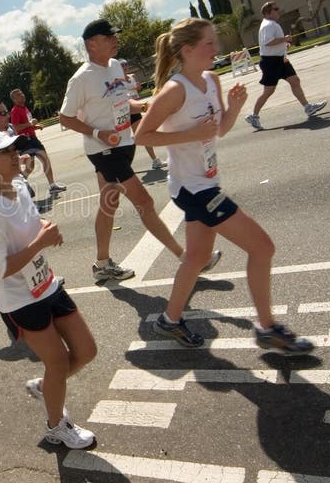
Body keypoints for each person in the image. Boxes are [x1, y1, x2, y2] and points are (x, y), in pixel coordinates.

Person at [134, 18, 314, 354]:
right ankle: (267, 328)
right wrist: (190, 134)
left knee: (198, 256)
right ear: (187, 50)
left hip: (208, 180)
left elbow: (220, 130)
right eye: (208, 43)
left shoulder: (211, 80)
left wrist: (234, 108)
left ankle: (169, 321)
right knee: (262, 247)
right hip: (193, 188)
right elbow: (141, 136)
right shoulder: (174, 91)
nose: (216, 48)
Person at [59, 18, 221, 284]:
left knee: (108, 204)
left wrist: (142, 105)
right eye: (108, 37)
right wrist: (98, 133)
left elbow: (121, 102)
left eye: (115, 36)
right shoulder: (81, 78)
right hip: (104, 150)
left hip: (124, 144)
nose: (115, 40)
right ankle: (189, 258)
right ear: (91, 43)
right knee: (144, 202)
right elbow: (65, 118)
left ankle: (102, 265)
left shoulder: (114, 67)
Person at [0, 131, 98, 449]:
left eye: (15, 149)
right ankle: (56, 427)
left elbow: (29, 221)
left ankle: (47, 387)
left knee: (86, 351)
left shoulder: (17, 186)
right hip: (19, 299)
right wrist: (40, 242)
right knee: (57, 362)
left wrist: (43, 226)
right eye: (5, 152)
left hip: (45, 283)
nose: (15, 154)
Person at [243, 1, 327, 130]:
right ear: (267, 13)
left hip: (280, 60)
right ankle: (253, 116)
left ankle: (308, 107)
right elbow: (268, 42)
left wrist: (284, 45)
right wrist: (285, 39)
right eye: (275, 9)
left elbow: (272, 43)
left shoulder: (271, 24)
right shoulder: (269, 25)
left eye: (277, 8)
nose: (278, 11)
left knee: (295, 81)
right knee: (269, 90)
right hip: (271, 62)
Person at [9, 89, 67, 194]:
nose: (22, 95)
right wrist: (31, 124)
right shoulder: (15, 111)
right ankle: (20, 181)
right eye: (18, 95)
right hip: (25, 141)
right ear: (14, 99)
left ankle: (52, 186)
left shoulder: (25, 108)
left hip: (33, 139)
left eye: (22, 93)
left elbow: (27, 125)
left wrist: (35, 126)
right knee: (30, 166)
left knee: (45, 160)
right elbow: (16, 128)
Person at [120, 59, 165, 170]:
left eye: (126, 64)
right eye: (122, 65)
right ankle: (123, 164)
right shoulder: (117, 81)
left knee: (142, 135)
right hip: (125, 110)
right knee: (137, 137)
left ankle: (155, 161)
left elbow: (136, 92)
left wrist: (138, 89)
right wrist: (133, 88)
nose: (125, 67)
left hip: (136, 110)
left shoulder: (131, 78)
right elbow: (121, 95)